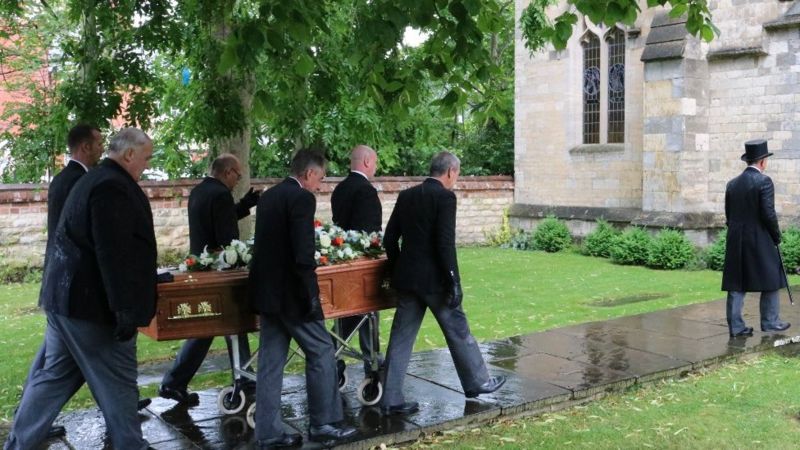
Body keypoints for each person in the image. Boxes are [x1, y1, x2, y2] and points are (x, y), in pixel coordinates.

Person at [4, 127, 157, 450]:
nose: (147, 164)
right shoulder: (111, 187)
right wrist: (124, 309)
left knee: (55, 378)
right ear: (129, 154)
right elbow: (111, 252)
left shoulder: (97, 179)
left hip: (66, 301)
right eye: (146, 158)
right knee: (117, 381)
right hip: (91, 307)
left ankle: (18, 444)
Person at [379, 151, 506, 416]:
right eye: (456, 175)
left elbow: (390, 239)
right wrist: (454, 281)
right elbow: (445, 243)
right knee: (458, 329)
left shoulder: (406, 195)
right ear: (450, 172)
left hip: (407, 279)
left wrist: (398, 266)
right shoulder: (445, 197)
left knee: (401, 339)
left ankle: (390, 399)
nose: (455, 180)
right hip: (435, 281)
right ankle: (478, 382)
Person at [248, 148, 358, 449]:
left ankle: (268, 433)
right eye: (320, 179)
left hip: (268, 293)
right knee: (322, 351)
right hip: (291, 294)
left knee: (270, 363)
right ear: (309, 173)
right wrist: (311, 297)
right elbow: (302, 253)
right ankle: (323, 423)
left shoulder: (269, 196)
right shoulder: (301, 198)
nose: (320, 186)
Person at [22, 124, 105, 440]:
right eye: (98, 142)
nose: (101, 148)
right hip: (71, 285)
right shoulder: (79, 181)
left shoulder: (64, 179)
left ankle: (30, 420)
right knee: (57, 364)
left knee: (50, 360)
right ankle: (30, 421)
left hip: (60, 282)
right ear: (85, 146)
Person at [159, 153, 259, 404]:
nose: (239, 179)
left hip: (201, 264)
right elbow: (226, 236)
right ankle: (243, 376)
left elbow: (216, 220)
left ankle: (176, 382)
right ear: (227, 172)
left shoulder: (200, 191)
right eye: (237, 174)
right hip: (218, 269)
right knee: (230, 320)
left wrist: (245, 205)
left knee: (213, 326)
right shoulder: (220, 194)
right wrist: (240, 255)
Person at [722, 139, 791, 337]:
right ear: (762, 162)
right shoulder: (764, 181)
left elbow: (729, 214)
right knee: (771, 277)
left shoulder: (732, 184)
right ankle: (770, 322)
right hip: (759, 238)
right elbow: (768, 214)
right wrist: (776, 236)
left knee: (736, 282)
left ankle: (736, 327)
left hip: (736, 239)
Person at [330, 145, 382, 374]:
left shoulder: (339, 189)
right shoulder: (366, 191)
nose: (376, 167)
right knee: (367, 311)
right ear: (368, 162)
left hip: (343, 261)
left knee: (347, 313)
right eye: (376, 163)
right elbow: (370, 232)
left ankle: (332, 354)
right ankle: (372, 359)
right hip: (362, 263)